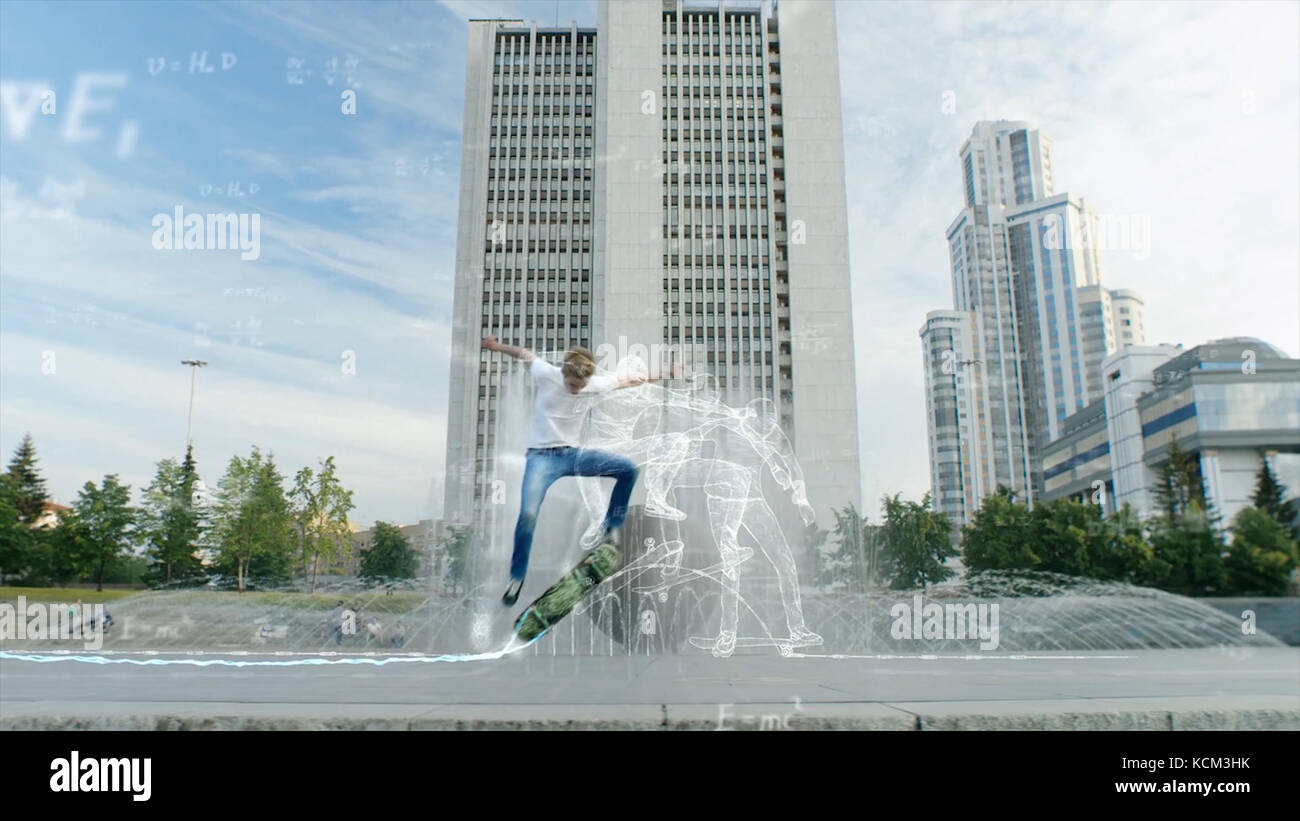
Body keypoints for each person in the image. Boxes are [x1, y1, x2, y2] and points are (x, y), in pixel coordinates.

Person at [481, 335, 671, 606]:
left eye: (580, 386)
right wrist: (496, 346)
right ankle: (516, 578)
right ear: (563, 374)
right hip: (541, 459)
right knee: (528, 516)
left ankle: (611, 530)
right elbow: (524, 353)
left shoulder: (594, 384)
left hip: (574, 455)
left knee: (627, 470)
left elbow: (630, 380)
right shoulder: (547, 374)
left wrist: (666, 375)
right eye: (572, 384)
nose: (576, 390)